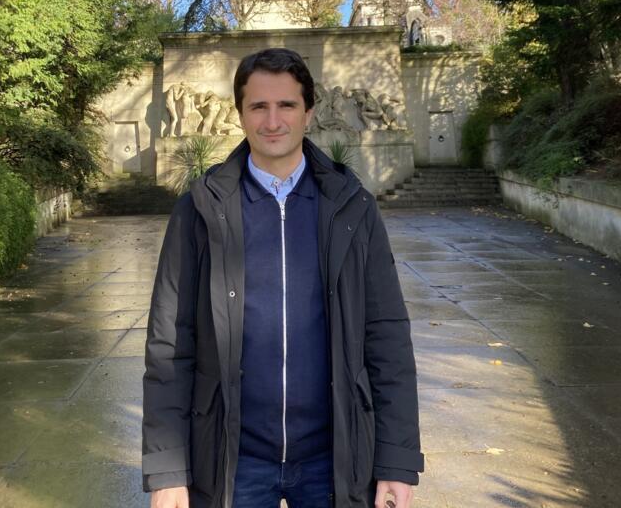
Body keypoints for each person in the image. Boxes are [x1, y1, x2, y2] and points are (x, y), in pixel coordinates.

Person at [143, 48, 423, 508]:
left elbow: (387, 336)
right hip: (232, 460)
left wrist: (395, 460)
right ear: (239, 114)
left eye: (287, 105)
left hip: (334, 457)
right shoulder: (199, 211)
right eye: (258, 106)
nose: (273, 121)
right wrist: (168, 470)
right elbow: (171, 345)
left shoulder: (352, 208)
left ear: (308, 112)